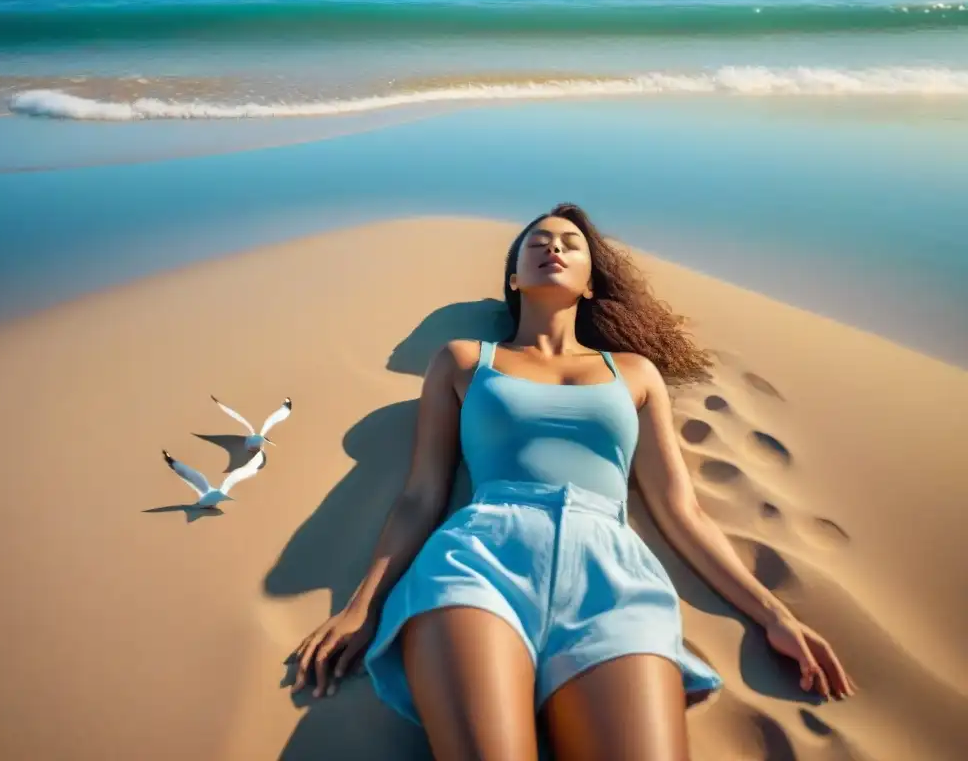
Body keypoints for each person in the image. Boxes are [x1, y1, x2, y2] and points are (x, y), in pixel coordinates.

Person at [289, 203, 855, 760]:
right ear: (514, 278)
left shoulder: (634, 373)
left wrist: (773, 614)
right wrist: (363, 606)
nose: (551, 248)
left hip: (612, 578)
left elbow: (681, 511)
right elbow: (421, 495)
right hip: (479, 563)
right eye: (535, 244)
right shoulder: (464, 361)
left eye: (568, 243)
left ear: (589, 283)